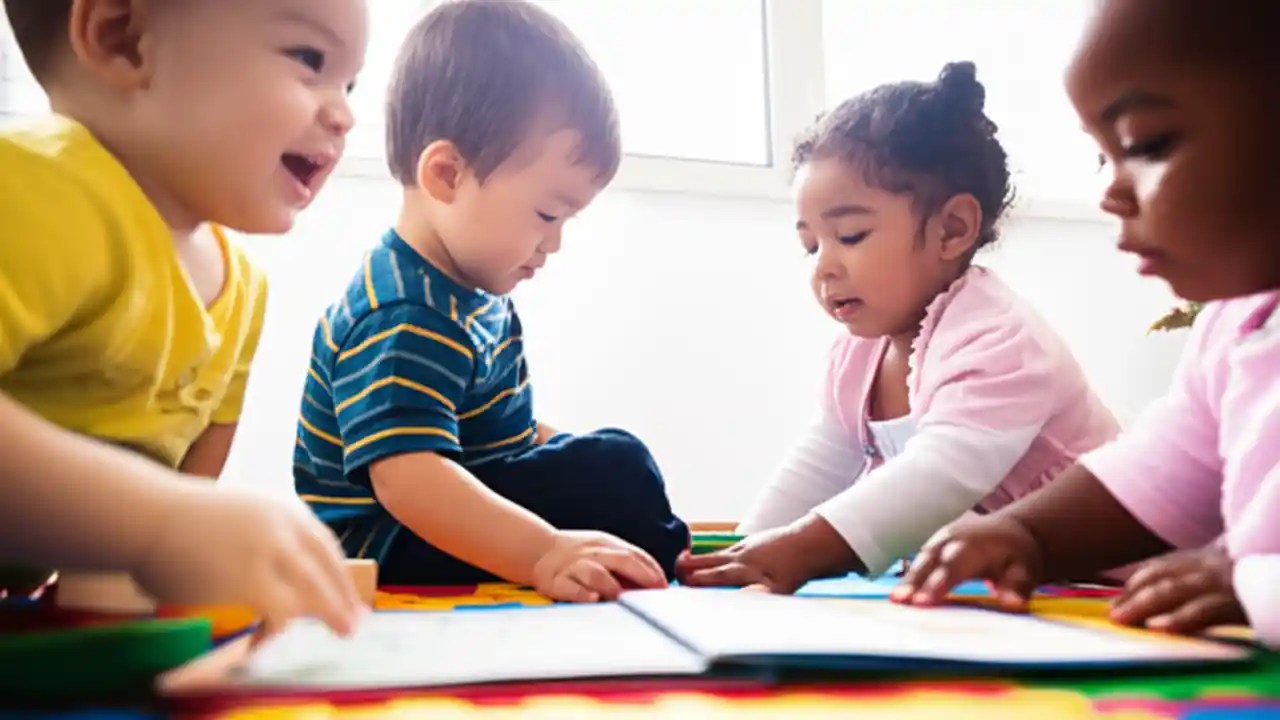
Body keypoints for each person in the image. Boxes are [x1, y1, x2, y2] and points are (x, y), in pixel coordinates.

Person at [895, 0, 1280, 648]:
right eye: (1103, 158)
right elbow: (1165, 467)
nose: (1110, 192)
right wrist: (1027, 535)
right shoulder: (1237, 322)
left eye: (1146, 144)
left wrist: (1256, 583)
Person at [294, 0, 688, 602]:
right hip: (387, 542)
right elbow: (410, 479)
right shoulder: (403, 312)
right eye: (546, 214)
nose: (553, 242)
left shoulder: (471, 294)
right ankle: (661, 553)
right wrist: (543, 551)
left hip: (441, 508)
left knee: (610, 461)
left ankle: (654, 549)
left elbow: (507, 436)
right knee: (616, 471)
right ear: (447, 175)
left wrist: (566, 455)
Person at [0, 0, 369, 633]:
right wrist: (156, 526)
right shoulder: (37, 186)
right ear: (124, 40)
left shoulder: (241, 287)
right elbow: (168, 516)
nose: (344, 115)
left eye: (350, 82)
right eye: (309, 60)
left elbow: (189, 492)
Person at [678, 62, 1117, 593]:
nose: (824, 267)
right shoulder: (857, 356)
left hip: (1105, 577)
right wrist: (750, 547)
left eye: (851, 235)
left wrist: (801, 549)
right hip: (1002, 583)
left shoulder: (1001, 339)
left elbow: (940, 476)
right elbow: (823, 460)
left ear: (952, 229)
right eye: (811, 246)